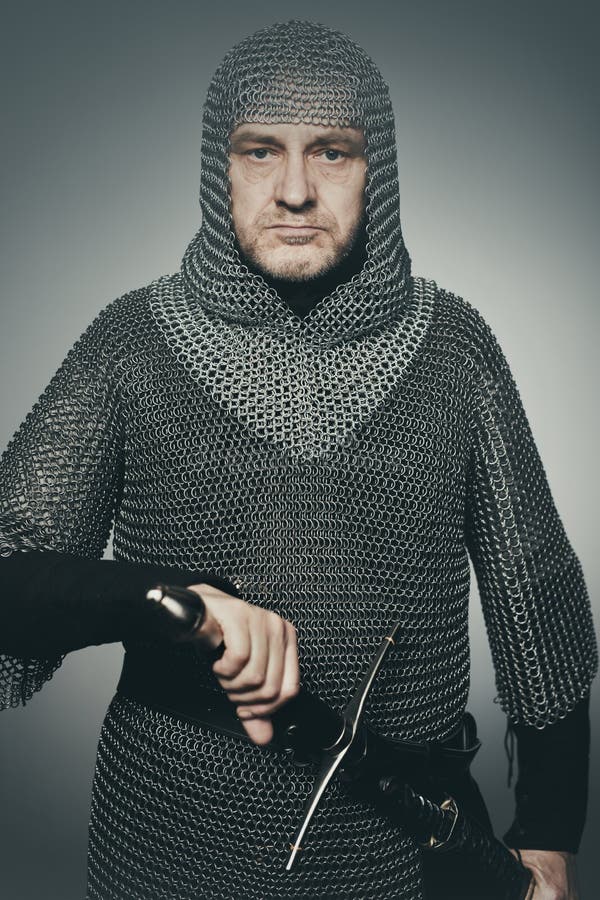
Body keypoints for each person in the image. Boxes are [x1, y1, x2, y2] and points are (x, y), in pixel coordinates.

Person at [0, 19, 596, 900]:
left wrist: (549, 826)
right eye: (259, 151)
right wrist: (171, 603)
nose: (293, 190)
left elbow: (535, 602)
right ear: (220, 167)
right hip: (175, 833)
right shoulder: (133, 344)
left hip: (406, 835)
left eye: (331, 153)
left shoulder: (454, 349)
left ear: (376, 171)